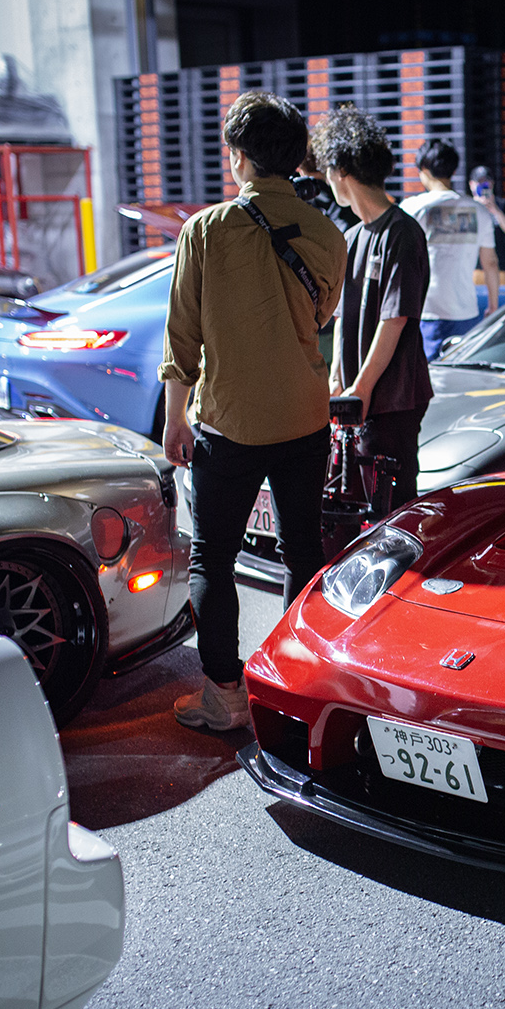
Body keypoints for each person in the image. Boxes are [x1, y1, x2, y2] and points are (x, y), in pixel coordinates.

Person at [159, 92, 347, 731]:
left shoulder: (207, 231)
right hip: (303, 415)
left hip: (230, 421)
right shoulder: (327, 231)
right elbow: (320, 316)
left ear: (238, 157)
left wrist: (175, 415)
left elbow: (183, 337)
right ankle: (289, 681)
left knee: (213, 558)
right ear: (296, 159)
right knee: (303, 551)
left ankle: (224, 695)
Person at [313, 106, 431, 514]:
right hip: (356, 397)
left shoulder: (403, 232)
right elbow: (346, 315)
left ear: (340, 172)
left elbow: (394, 319)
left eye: (328, 173)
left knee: (392, 509)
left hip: (393, 397)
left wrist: (360, 388)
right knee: (355, 507)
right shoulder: (352, 235)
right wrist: (336, 379)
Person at [399, 139, 498, 360]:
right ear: (453, 170)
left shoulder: (411, 209)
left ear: (423, 170)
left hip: (425, 311)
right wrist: (492, 305)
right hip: (466, 311)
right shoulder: (479, 211)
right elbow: (490, 263)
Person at [468, 165, 505, 286]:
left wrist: (494, 209)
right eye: (479, 182)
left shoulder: (502, 205)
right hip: (475, 267)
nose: (483, 185)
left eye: (486, 181)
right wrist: (478, 206)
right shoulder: (469, 206)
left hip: (501, 266)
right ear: (471, 184)